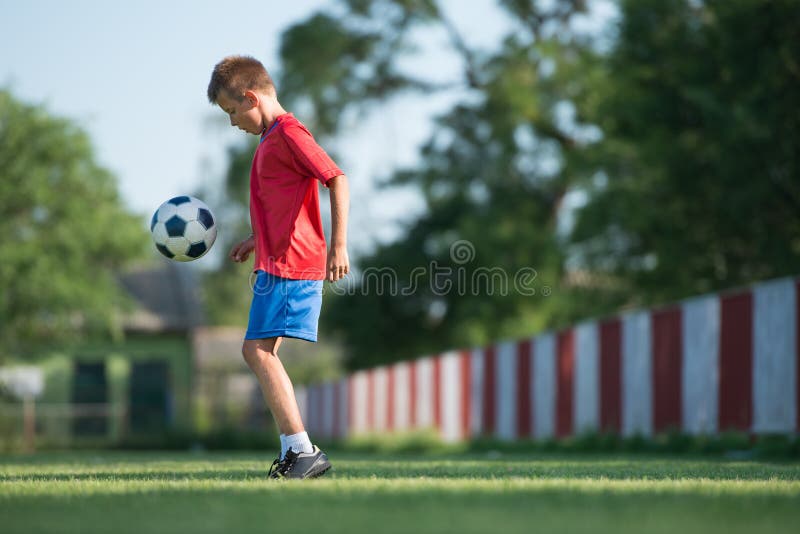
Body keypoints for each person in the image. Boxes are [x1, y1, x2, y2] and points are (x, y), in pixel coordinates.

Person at [207, 55, 350, 479]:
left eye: (233, 111)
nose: (233, 123)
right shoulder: (272, 139)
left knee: (256, 351)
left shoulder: (288, 133)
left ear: (251, 96)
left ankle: (302, 451)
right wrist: (258, 239)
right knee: (263, 352)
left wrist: (338, 245)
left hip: (292, 263)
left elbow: (336, 178)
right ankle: (295, 451)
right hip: (277, 259)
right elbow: (287, 203)